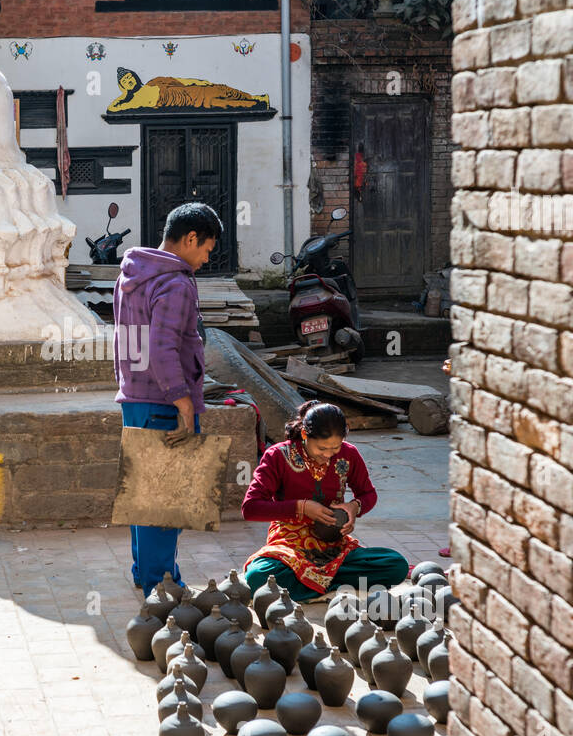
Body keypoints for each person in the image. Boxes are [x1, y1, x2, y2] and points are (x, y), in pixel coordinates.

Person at [113, 201, 220, 597]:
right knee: (164, 499)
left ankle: (150, 574)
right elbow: (162, 349)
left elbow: (122, 340)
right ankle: (160, 589)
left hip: (134, 397)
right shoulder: (174, 282)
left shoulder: (133, 273)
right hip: (163, 401)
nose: (206, 259)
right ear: (190, 238)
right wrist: (184, 403)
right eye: (207, 249)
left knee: (145, 493)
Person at [241, 399, 408, 601]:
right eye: (321, 448)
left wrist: (354, 508)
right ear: (304, 435)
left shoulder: (349, 454)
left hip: (334, 547)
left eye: (335, 448)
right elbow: (250, 508)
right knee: (257, 577)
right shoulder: (277, 455)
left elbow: (368, 494)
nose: (328, 455)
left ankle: (313, 585)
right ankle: (335, 585)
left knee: (396, 565)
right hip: (290, 544)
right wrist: (301, 508)